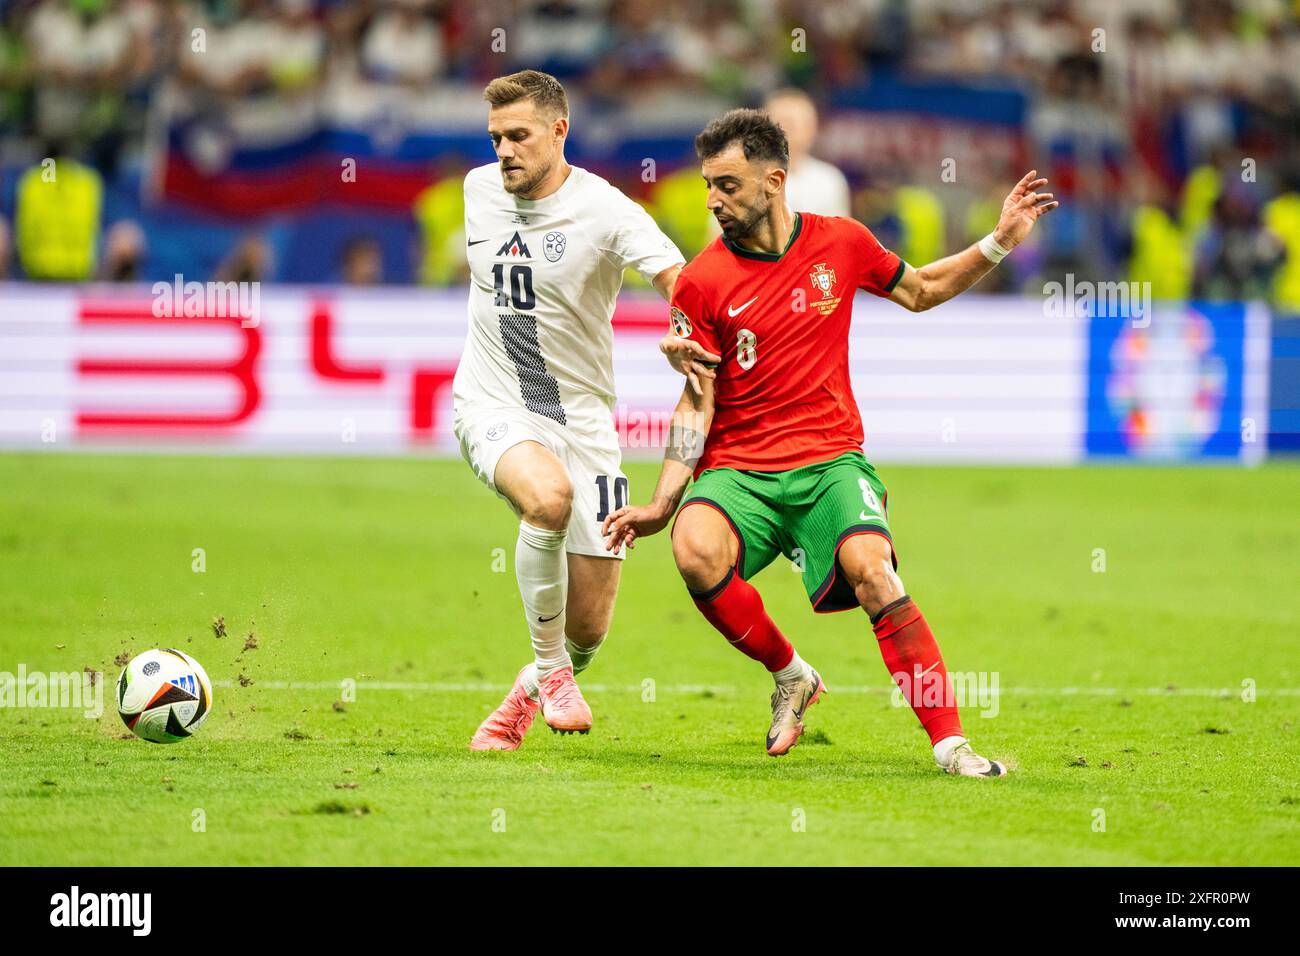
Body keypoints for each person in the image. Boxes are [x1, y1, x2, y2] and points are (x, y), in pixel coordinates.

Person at [604, 109, 1057, 776]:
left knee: (872, 567)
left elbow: (923, 290)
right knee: (694, 549)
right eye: (708, 185)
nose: (713, 201)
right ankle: (791, 674)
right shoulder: (700, 282)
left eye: (728, 185)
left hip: (828, 464)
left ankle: (951, 744)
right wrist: (662, 502)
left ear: (774, 180)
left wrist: (998, 242)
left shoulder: (841, 242)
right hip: (740, 470)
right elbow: (695, 403)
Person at [454, 70, 708, 750]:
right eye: (496, 138)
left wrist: (685, 330)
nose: (504, 151)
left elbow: (676, 275)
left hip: (586, 424)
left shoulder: (607, 211)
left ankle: (527, 693)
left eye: (519, 136)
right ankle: (549, 671)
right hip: (491, 402)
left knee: (589, 626)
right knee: (548, 499)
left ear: (559, 131)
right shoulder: (478, 190)